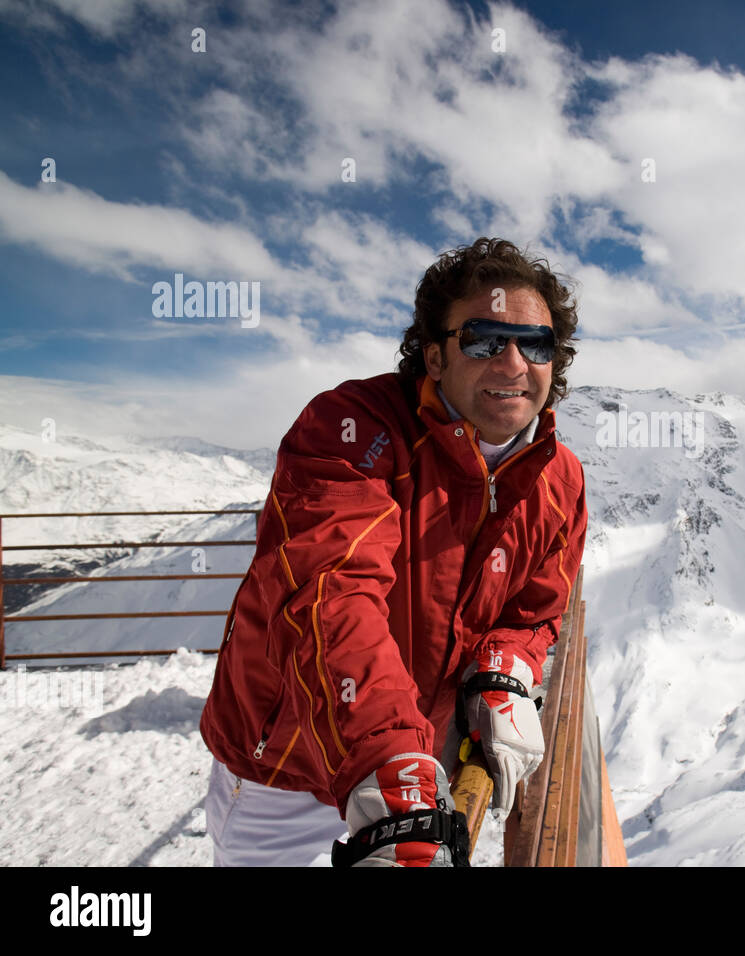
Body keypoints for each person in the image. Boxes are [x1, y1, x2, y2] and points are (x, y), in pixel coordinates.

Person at [199, 237, 588, 866]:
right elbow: (330, 591)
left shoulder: (559, 478)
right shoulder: (351, 429)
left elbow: (534, 608)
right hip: (292, 767)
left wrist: (502, 670)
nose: (514, 362)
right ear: (434, 357)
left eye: (535, 343)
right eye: (485, 339)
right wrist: (391, 763)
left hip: (417, 756)